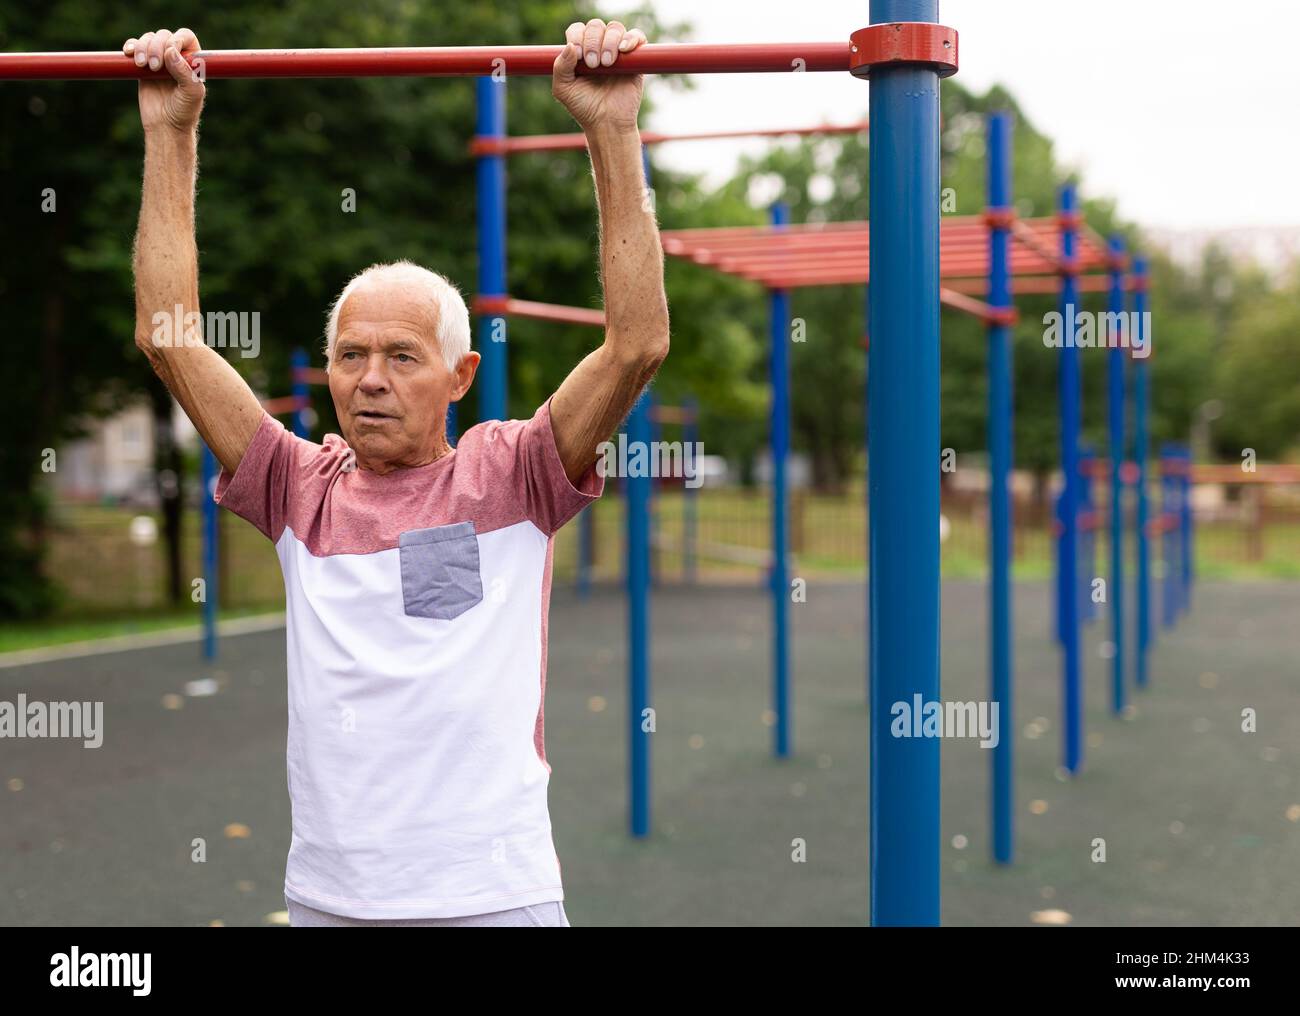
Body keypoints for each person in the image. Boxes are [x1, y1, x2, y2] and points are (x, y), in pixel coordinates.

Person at [126, 20, 669, 927]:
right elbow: (167, 337)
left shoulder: (517, 476)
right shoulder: (297, 488)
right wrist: (170, 132)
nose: (369, 378)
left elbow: (637, 344)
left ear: (461, 376)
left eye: (402, 357)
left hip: (492, 898)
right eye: (350, 355)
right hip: (332, 902)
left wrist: (610, 130)